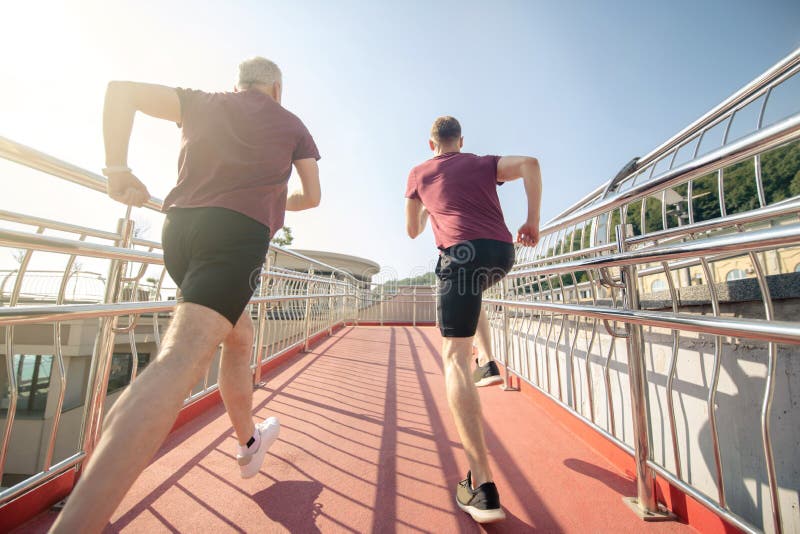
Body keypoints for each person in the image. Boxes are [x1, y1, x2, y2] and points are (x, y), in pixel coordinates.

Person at [52, 57, 321, 533]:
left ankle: (249, 441)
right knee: (178, 360)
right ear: (277, 88)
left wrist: (116, 167)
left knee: (238, 337)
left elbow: (122, 89)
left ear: (235, 84)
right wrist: (276, 197)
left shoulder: (202, 101)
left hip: (180, 232)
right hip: (234, 238)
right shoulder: (292, 123)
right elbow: (312, 197)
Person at [405, 116, 541, 523]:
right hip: (501, 253)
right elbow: (531, 163)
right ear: (460, 141)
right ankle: (488, 362)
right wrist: (532, 221)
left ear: (431, 144)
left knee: (452, 356)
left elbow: (412, 230)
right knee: (473, 293)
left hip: (461, 255)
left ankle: (481, 485)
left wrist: (435, 204)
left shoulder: (419, 172)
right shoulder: (482, 162)